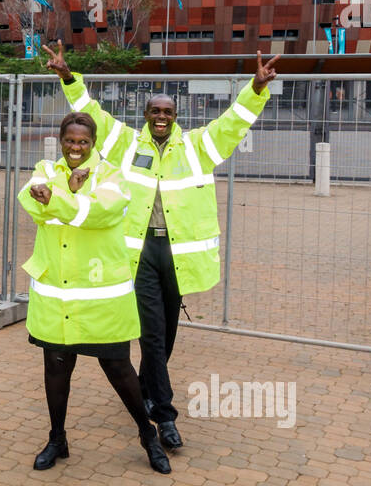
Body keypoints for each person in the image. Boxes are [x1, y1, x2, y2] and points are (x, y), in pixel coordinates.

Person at [42, 42, 278, 452]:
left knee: (166, 334)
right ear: (146, 115)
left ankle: (148, 390)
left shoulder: (198, 147)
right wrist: (68, 76)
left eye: (168, 112)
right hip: (139, 255)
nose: (162, 118)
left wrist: (255, 89)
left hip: (178, 256)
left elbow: (233, 124)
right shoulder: (127, 144)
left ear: (175, 116)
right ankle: (164, 417)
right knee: (151, 334)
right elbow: (93, 114)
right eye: (155, 112)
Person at [19, 112, 171, 474]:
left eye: (83, 142)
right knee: (56, 370)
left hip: (99, 298)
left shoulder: (111, 176)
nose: (75, 148)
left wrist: (61, 197)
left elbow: (98, 212)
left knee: (119, 369)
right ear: (61, 141)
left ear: (93, 143)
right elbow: (29, 201)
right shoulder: (45, 168)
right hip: (57, 295)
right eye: (70, 141)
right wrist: (62, 191)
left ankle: (147, 435)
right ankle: (57, 438)